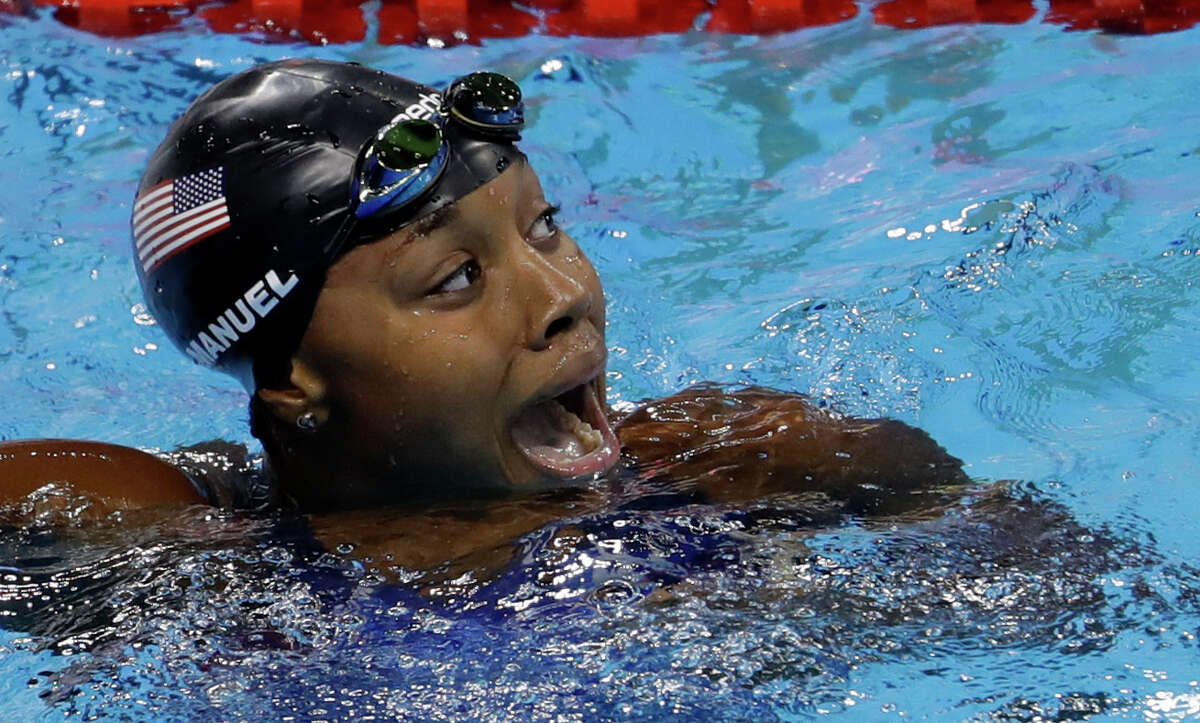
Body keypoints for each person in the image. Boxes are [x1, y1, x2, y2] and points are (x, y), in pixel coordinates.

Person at [0, 60, 967, 561]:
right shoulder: (188, 540)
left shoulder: (737, 467)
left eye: (543, 226)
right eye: (456, 277)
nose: (562, 297)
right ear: (296, 385)